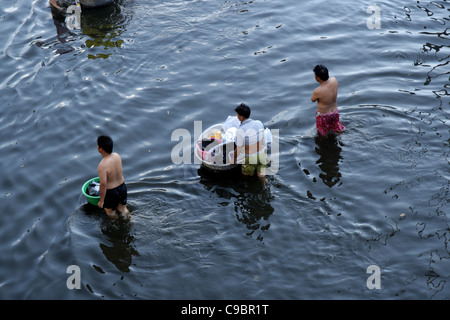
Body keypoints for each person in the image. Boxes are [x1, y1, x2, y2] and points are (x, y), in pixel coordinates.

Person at [97, 135, 129, 219]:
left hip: (111, 192)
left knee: (111, 213)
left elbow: (103, 185)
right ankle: (130, 220)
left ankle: (115, 226)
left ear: (101, 148)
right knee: (123, 209)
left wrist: (101, 201)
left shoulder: (102, 165)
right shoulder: (117, 156)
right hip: (122, 187)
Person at [233, 103, 267, 181]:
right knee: (261, 176)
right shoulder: (259, 123)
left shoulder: (241, 130)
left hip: (251, 158)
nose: (237, 116)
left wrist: (233, 159)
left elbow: (238, 148)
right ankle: (265, 184)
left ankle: (247, 188)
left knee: (246, 175)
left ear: (241, 117)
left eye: (237, 115)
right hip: (262, 154)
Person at [311, 65, 345, 136]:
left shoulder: (317, 91)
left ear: (317, 78)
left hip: (324, 116)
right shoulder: (334, 80)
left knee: (323, 134)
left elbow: (312, 99)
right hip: (334, 112)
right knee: (337, 128)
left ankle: (326, 145)